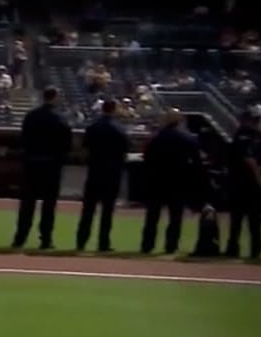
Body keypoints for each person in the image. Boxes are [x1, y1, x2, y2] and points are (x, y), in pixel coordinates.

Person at [12, 87, 71, 250]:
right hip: (52, 166)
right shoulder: (60, 118)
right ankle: (45, 239)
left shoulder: (31, 116)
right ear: (55, 98)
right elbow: (67, 143)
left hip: (31, 164)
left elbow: (23, 139)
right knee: (49, 205)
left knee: (27, 204)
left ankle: (20, 238)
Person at [139, 109, 201, 254]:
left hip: (157, 181)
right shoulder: (188, 138)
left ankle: (147, 245)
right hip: (178, 181)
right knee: (175, 216)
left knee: (152, 216)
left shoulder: (155, 138)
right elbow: (196, 162)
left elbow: (146, 160)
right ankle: (171, 245)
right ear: (179, 121)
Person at [75, 99, 129, 253]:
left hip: (95, 172)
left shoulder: (93, 127)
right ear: (114, 109)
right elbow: (124, 152)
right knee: (107, 211)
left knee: (88, 210)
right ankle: (103, 243)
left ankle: (81, 241)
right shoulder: (119, 129)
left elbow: (83, 152)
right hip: (112, 173)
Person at [224, 106, 261, 259]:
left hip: (238, 184)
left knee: (239, 221)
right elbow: (249, 159)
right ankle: (252, 250)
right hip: (248, 184)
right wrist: (260, 179)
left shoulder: (243, 135)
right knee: (251, 221)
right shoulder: (248, 136)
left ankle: (235, 249)